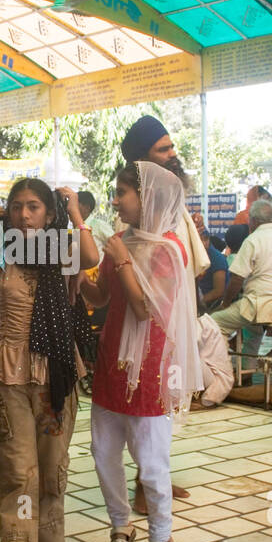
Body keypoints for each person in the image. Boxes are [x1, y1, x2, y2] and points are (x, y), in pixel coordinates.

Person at [0, 178, 99, 542]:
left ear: (50, 213)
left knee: (52, 462)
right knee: (17, 470)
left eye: (35, 207)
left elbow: (92, 256)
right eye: (18, 206)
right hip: (11, 372)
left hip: (55, 371)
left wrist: (75, 211)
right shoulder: (4, 252)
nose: (24, 215)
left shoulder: (63, 252)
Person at [80, 162, 199, 542]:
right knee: (103, 451)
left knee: (150, 459)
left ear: (146, 198)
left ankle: (162, 537)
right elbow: (102, 297)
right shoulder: (119, 243)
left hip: (150, 367)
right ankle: (120, 525)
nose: (115, 200)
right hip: (112, 359)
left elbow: (144, 309)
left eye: (122, 192)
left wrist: (124, 261)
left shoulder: (169, 250)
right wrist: (80, 273)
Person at [115, 116, 206, 507]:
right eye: (163, 150)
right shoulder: (136, 217)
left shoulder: (171, 202)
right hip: (147, 323)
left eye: (171, 147)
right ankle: (145, 487)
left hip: (172, 317)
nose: (173, 155)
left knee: (163, 401)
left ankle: (156, 478)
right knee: (147, 405)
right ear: (143, 160)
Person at [209, 200, 272, 385]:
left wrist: (225, 303)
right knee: (252, 330)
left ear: (253, 221)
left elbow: (237, 278)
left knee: (214, 324)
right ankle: (246, 373)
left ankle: (223, 375)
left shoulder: (254, 239)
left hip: (260, 305)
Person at [195, 306, 234, 409]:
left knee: (183, 356)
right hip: (207, 373)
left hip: (214, 379)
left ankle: (195, 398)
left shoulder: (200, 320)